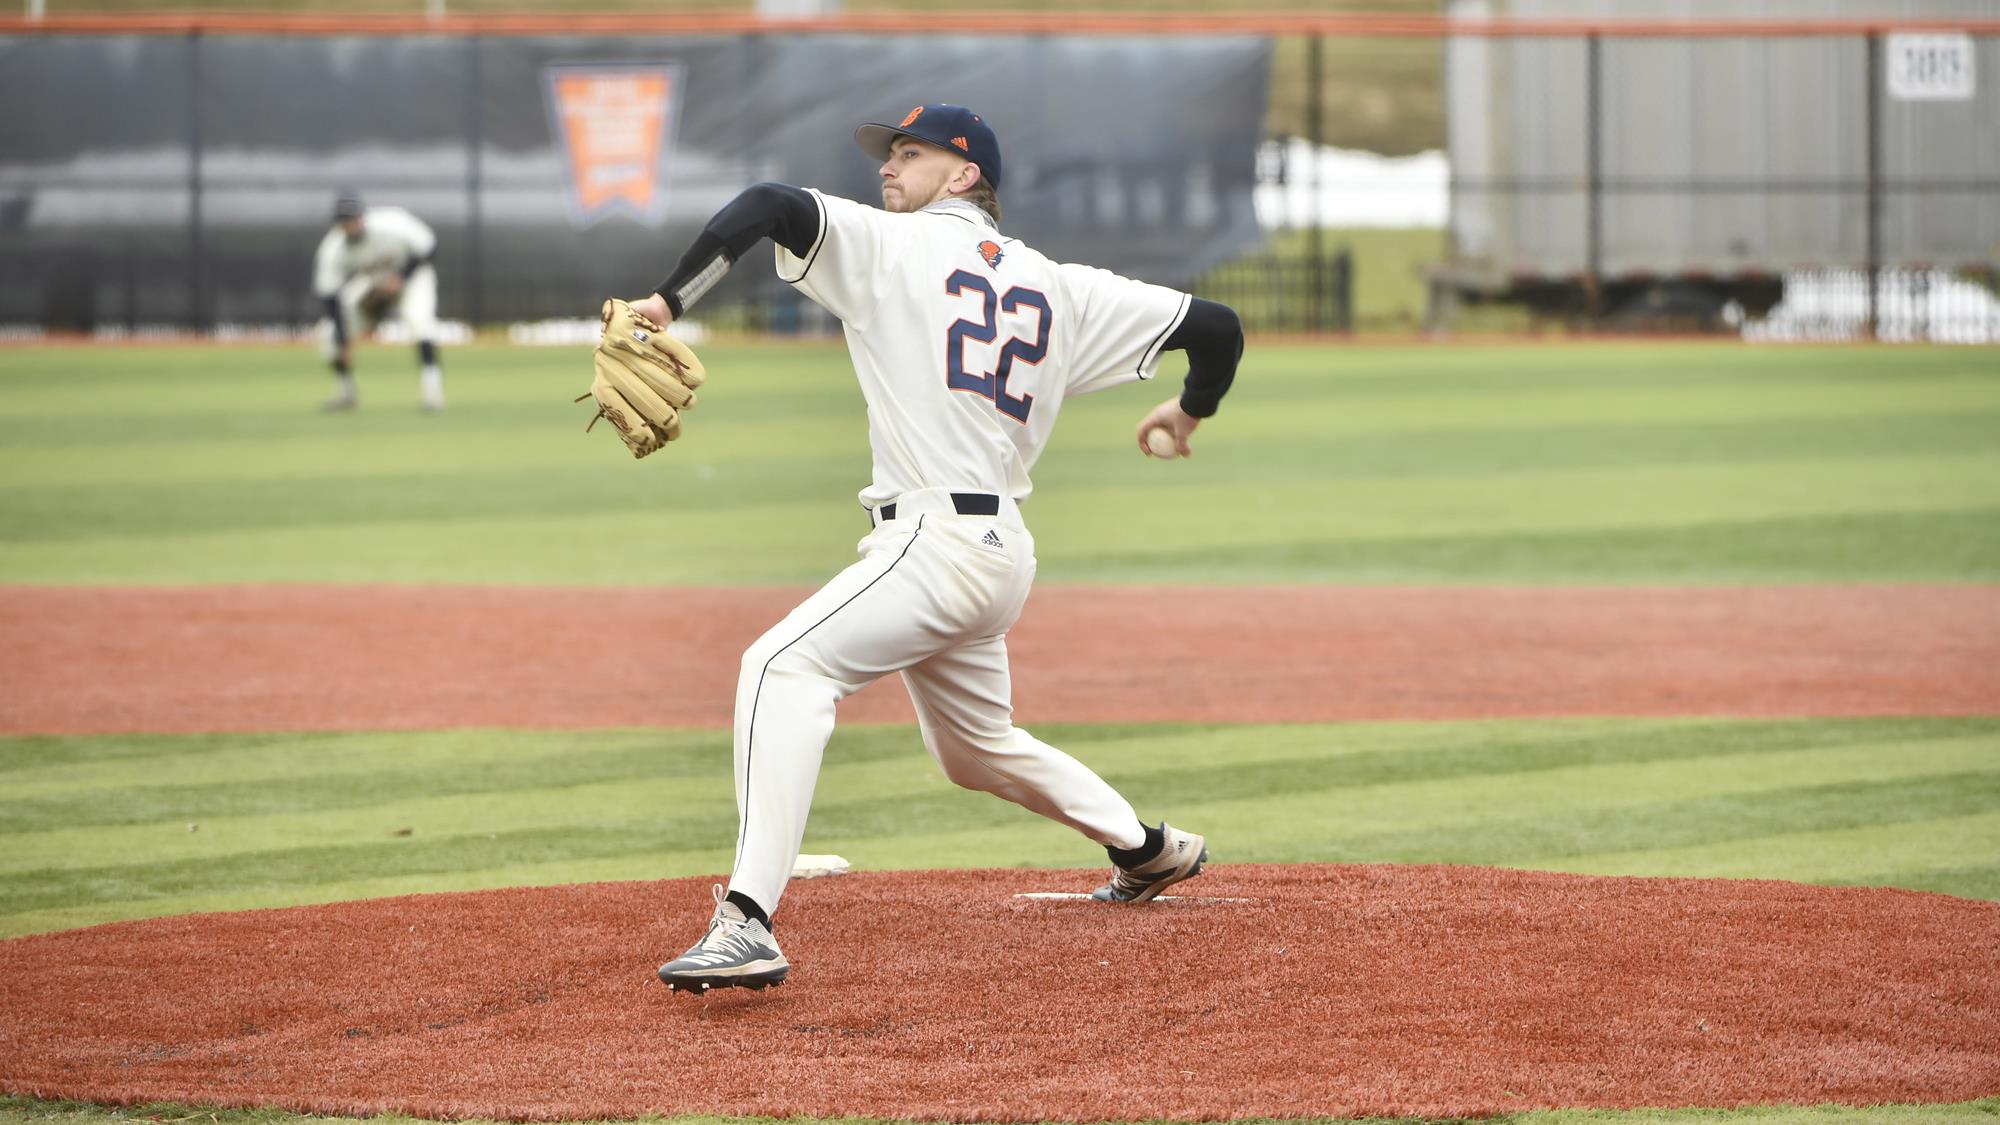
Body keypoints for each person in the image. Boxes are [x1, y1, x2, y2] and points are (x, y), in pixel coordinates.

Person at [636, 104, 1245, 994]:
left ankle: (746, 922)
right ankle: (1147, 848)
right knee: (974, 746)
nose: (888, 166)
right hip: (999, 554)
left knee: (780, 668)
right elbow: (1218, 326)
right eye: (889, 152)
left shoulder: (890, 245)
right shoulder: (1061, 285)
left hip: (934, 543)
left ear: (964, 175)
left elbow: (768, 201)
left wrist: (667, 300)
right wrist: (1189, 412)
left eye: (910, 153)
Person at [311, 192, 446, 412]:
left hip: (412, 277)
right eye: (343, 221)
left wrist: (402, 277)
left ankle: (433, 394)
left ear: (362, 216)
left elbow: (430, 247)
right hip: (373, 283)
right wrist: (344, 340)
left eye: (352, 219)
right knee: (329, 334)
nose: (348, 225)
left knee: (420, 321)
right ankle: (346, 393)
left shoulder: (392, 223)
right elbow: (329, 294)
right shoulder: (333, 247)